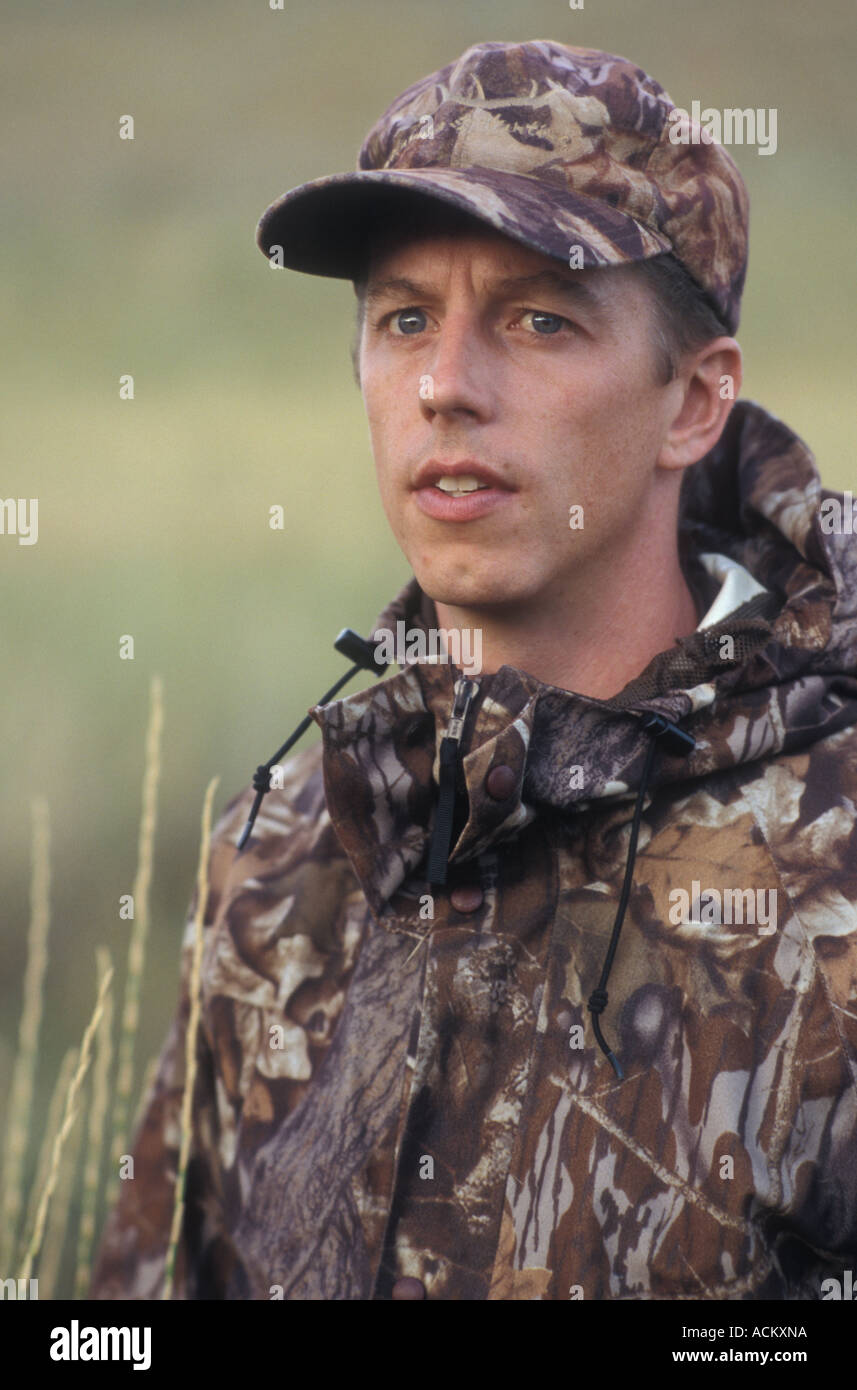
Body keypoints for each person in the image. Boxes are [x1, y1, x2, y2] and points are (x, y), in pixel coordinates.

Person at [91, 39, 857, 1302]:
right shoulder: (284, 853)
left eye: (538, 319)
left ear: (692, 403)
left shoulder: (830, 871)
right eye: (403, 320)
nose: (446, 386)